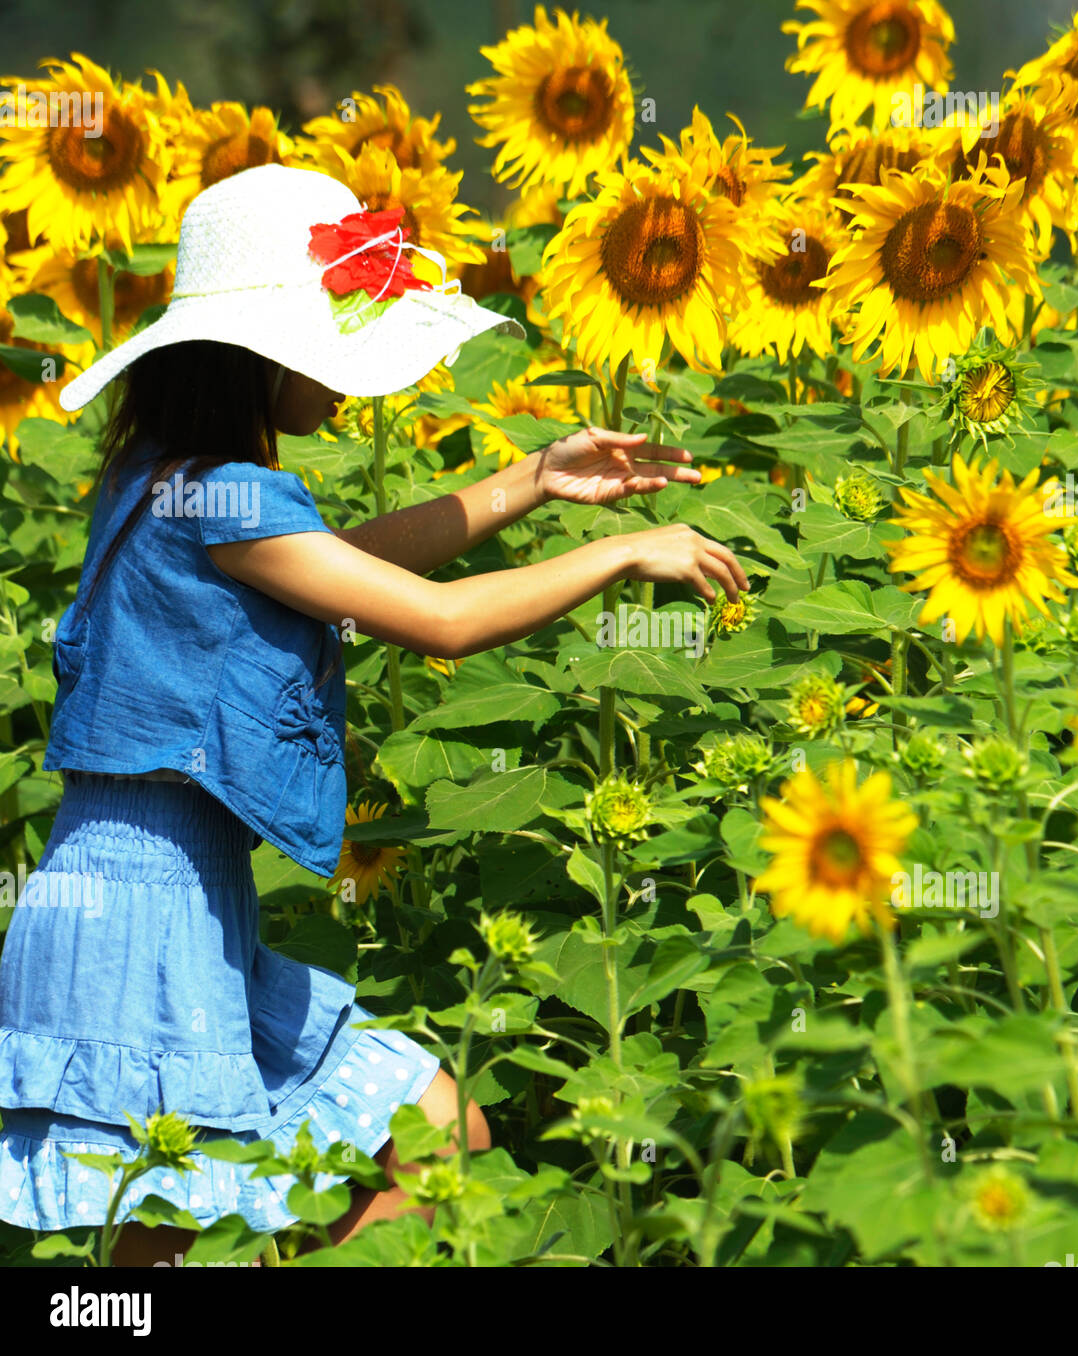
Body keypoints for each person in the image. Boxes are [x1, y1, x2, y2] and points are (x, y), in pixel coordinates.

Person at [0, 164, 748, 1265]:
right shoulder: (223, 496)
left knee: (439, 1135)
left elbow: (343, 568)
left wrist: (535, 477)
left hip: (179, 901)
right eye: (330, 344)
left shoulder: (167, 480)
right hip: (138, 915)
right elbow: (436, 623)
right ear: (258, 355)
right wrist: (623, 549)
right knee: (161, 1244)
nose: (348, 380)